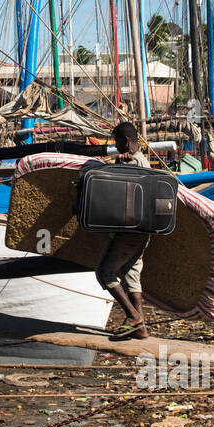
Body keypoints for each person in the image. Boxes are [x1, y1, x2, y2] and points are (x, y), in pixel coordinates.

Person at [94, 121, 151, 340]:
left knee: (104, 272)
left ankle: (133, 316)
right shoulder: (143, 160)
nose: (116, 146)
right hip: (144, 229)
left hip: (128, 231)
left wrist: (114, 164)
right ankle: (141, 328)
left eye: (117, 142)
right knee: (131, 273)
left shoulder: (131, 162)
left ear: (126, 142)